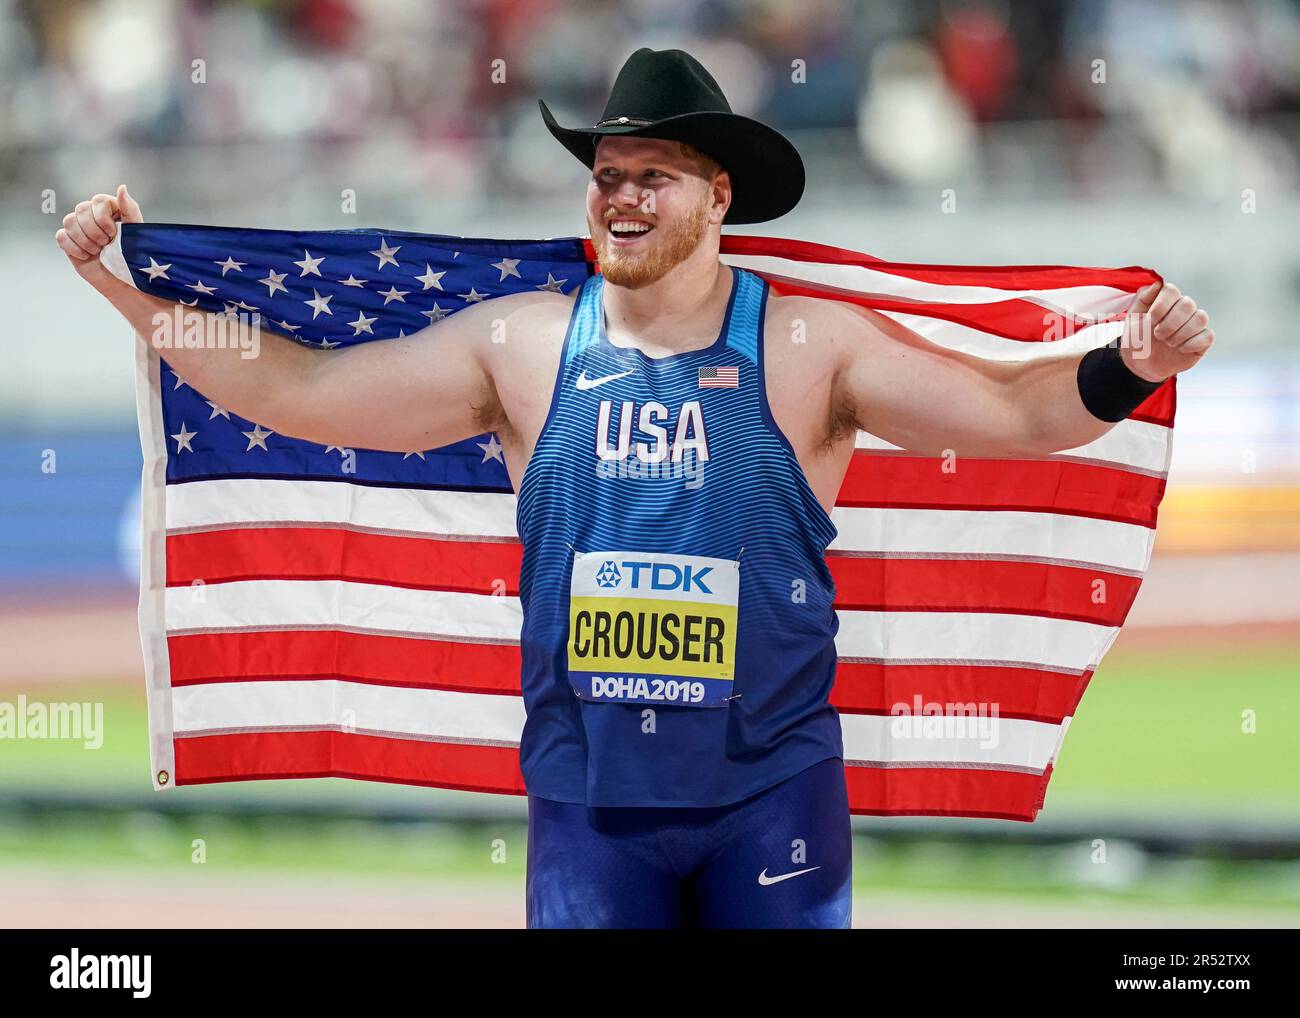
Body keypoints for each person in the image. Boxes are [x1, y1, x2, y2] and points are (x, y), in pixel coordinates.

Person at [56, 48, 1213, 929]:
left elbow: (1015, 415)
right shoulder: (517, 348)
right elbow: (305, 391)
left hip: (773, 798)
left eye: (651, 177)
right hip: (590, 808)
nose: (619, 196)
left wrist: (1134, 367)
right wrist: (133, 298)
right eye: (606, 175)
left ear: (718, 197)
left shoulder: (811, 346)